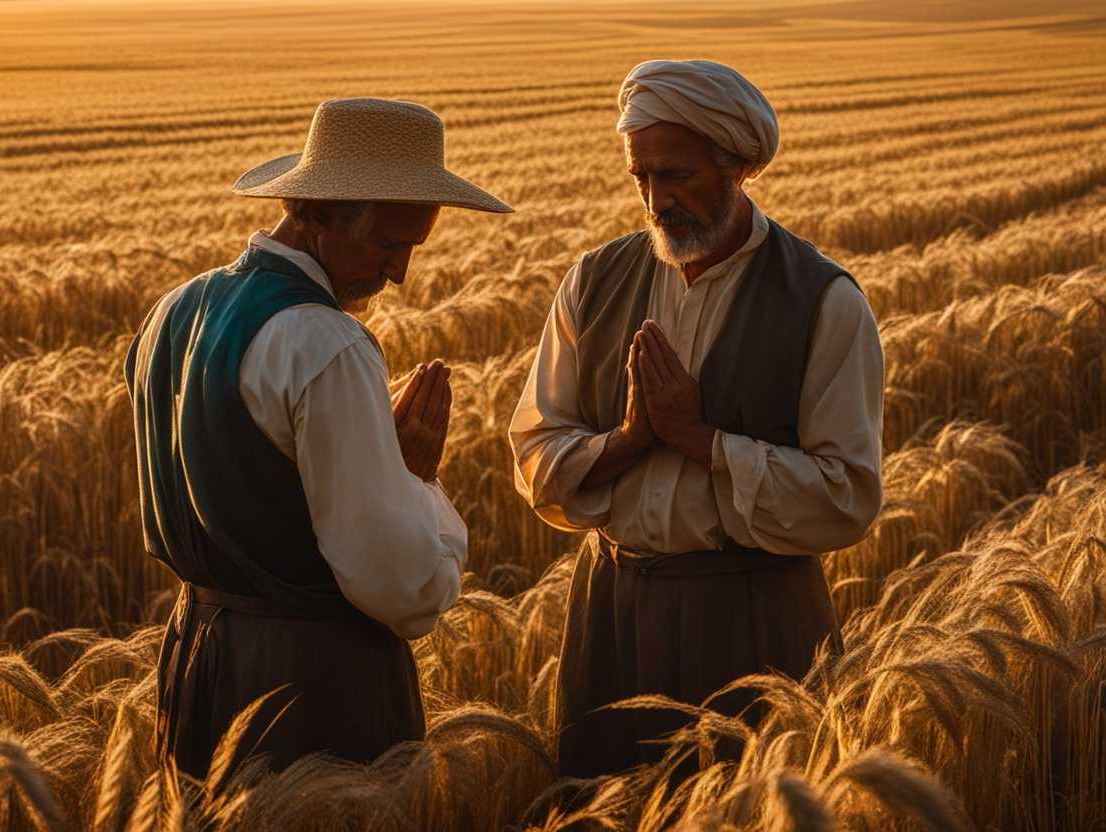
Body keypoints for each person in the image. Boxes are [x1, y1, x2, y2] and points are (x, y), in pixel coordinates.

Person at [508, 60, 884, 778]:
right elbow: (532, 451)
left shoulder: (825, 303)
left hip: (751, 623)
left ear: (737, 163)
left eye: (676, 175)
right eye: (640, 177)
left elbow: (848, 498)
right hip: (610, 615)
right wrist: (627, 443)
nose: (656, 199)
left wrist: (703, 442)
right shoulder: (591, 281)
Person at [124, 97, 512, 779]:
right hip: (310, 684)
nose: (400, 273)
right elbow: (400, 585)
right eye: (388, 244)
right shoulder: (327, 344)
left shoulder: (170, 310)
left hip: (192, 660)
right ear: (312, 212)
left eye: (413, 246)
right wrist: (413, 478)